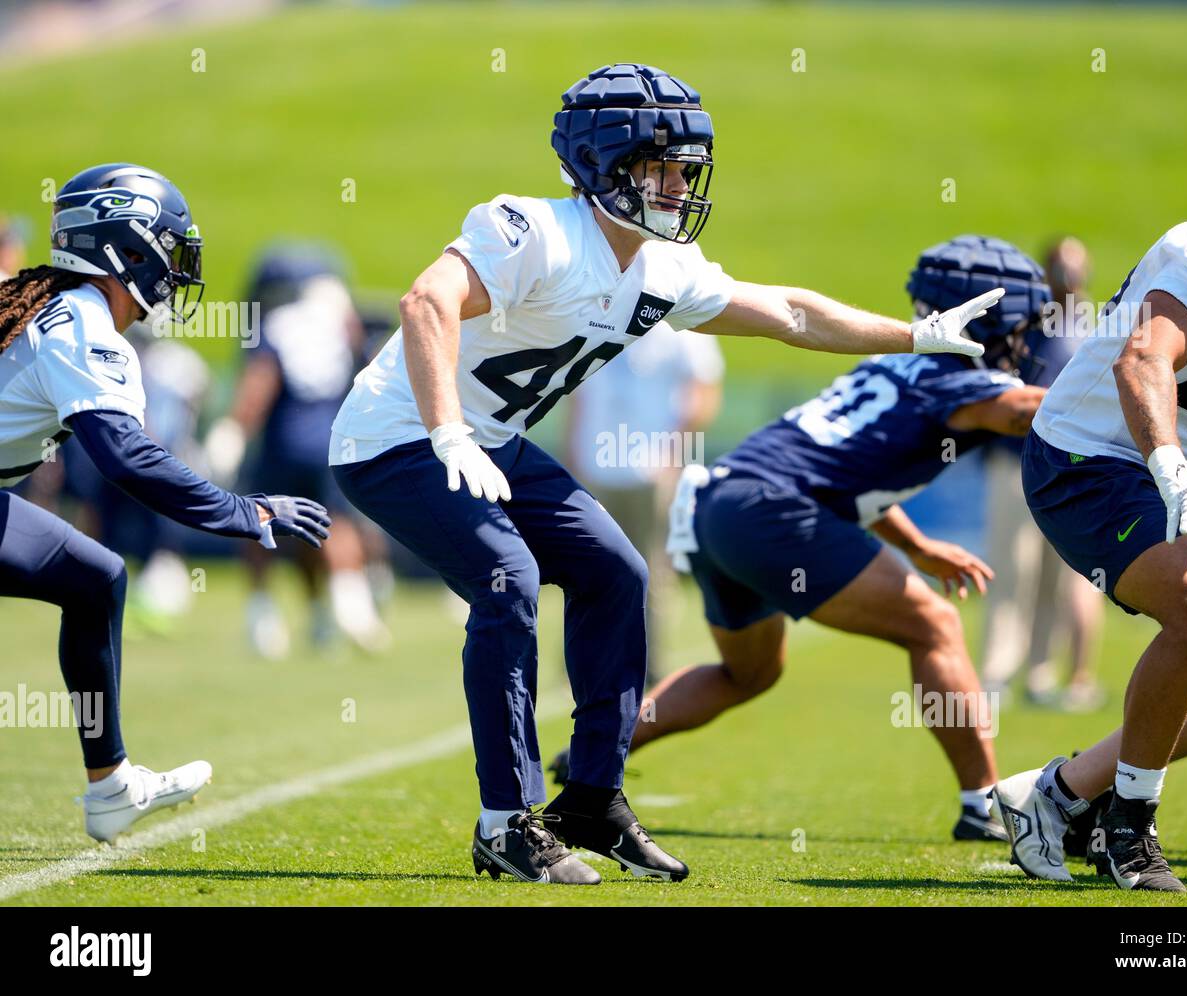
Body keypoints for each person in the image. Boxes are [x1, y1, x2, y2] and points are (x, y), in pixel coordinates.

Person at [329, 64, 1001, 885]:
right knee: (508, 580)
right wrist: (446, 430)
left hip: (489, 435)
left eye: (688, 168)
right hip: (398, 437)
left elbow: (790, 312)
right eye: (666, 166)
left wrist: (914, 336)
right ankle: (506, 823)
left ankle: (592, 801)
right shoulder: (531, 229)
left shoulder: (660, 266)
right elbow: (424, 303)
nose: (683, 186)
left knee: (616, 571)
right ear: (608, 163)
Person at [554, 235, 1051, 843]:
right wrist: (1138, 388)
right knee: (935, 626)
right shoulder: (958, 377)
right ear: (987, 320)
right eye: (1022, 325)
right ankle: (984, 805)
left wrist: (916, 546)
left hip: (719, 505)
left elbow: (840, 475)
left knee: (749, 672)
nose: (1026, 341)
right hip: (769, 509)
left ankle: (594, 761)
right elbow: (1030, 410)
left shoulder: (891, 361)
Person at [991, 88, 1187, 892]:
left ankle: (1060, 797)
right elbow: (1142, 358)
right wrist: (1165, 461)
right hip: (1092, 459)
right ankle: (1131, 824)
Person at [0, 163, 330, 843]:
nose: (177, 268)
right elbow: (128, 457)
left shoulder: (42, 299)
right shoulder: (80, 321)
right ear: (125, 245)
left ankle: (111, 786)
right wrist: (248, 514)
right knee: (93, 577)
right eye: (169, 248)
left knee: (94, 578)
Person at [204, 245, 390, 657]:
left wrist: (234, 430)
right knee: (332, 523)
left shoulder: (279, 323)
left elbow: (260, 382)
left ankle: (262, 613)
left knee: (258, 520)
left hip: (283, 442)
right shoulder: (345, 323)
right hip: (333, 443)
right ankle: (348, 605)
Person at [979, 237, 1103, 711]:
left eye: (1076, 271)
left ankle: (1039, 673)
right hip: (1014, 462)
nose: (1069, 281)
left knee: (1057, 577)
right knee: (1013, 572)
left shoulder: (1096, 324)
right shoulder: (1025, 323)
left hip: (1071, 470)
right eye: (1061, 270)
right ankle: (996, 673)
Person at [565, 321, 724, 684]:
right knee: (584, 567)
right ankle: (584, 660)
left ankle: (646, 666)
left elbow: (702, 391)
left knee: (649, 571)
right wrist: (573, 455)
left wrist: (672, 457)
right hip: (595, 466)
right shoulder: (596, 314)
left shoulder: (684, 323)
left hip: (650, 469)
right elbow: (579, 393)